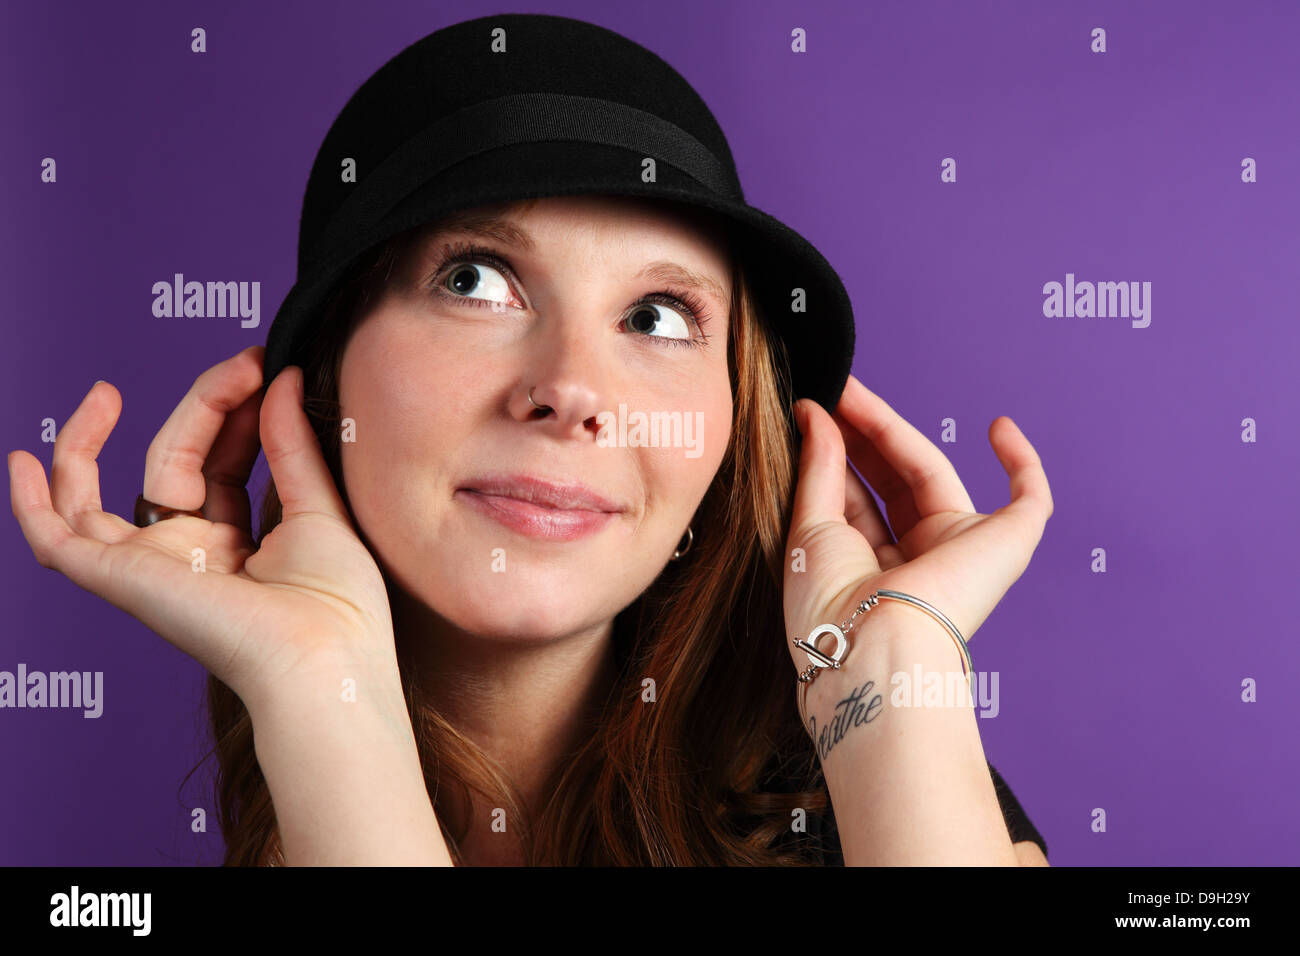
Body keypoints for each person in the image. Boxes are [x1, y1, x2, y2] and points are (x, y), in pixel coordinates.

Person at [6, 14, 1053, 866]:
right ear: (319, 382)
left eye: (655, 316)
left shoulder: (917, 807)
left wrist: (890, 678)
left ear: (732, 429)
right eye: (474, 281)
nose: (570, 390)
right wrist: (316, 686)